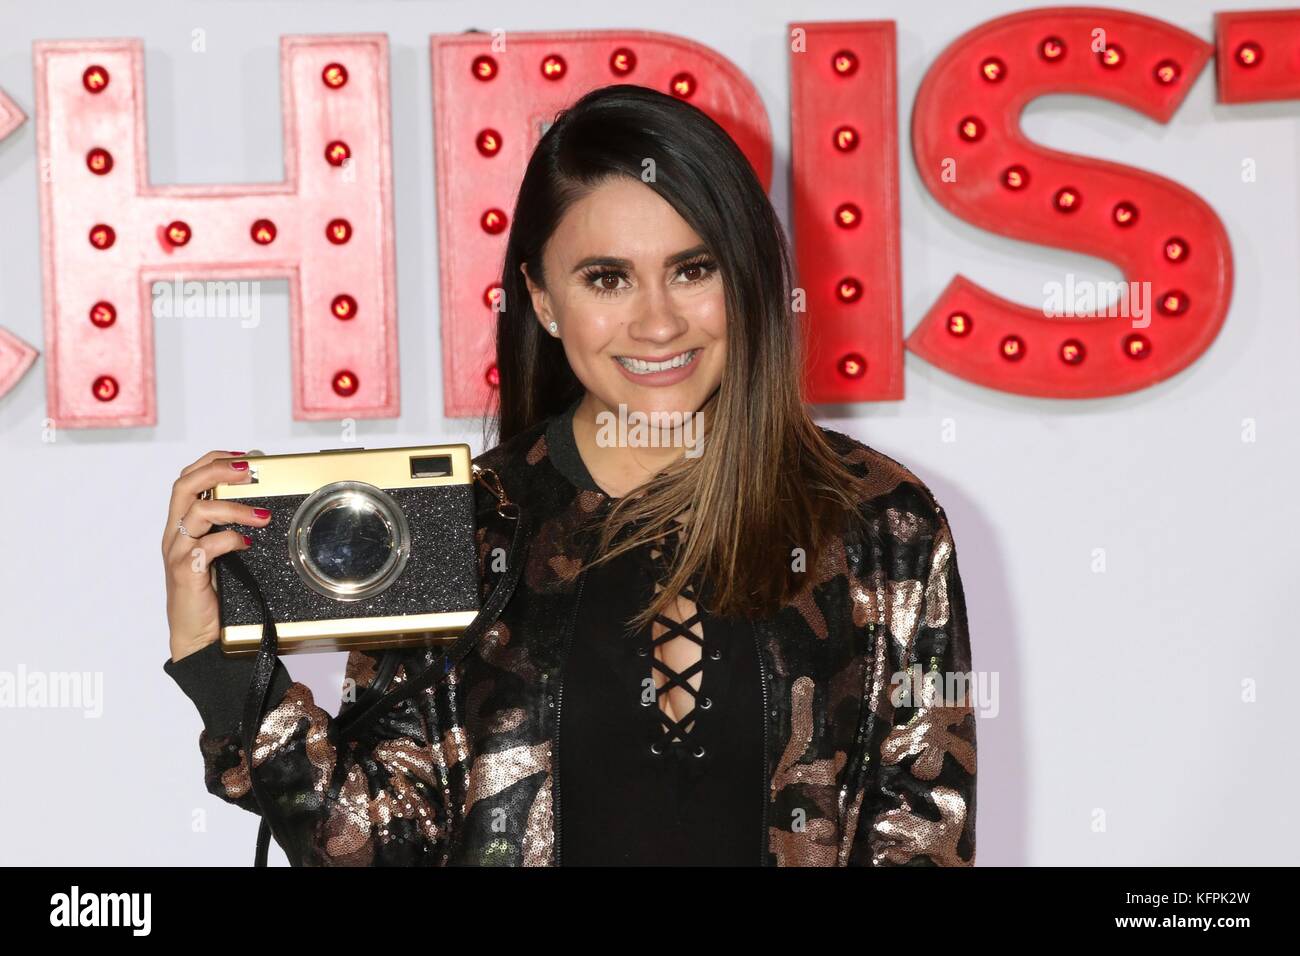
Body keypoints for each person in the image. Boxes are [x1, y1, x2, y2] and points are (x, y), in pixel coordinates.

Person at [162, 83, 976, 866]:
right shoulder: (467, 526)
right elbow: (380, 845)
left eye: (694, 269)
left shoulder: (878, 523)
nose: (658, 322)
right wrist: (222, 666)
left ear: (749, 278)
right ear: (544, 300)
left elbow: (922, 836)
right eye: (607, 278)